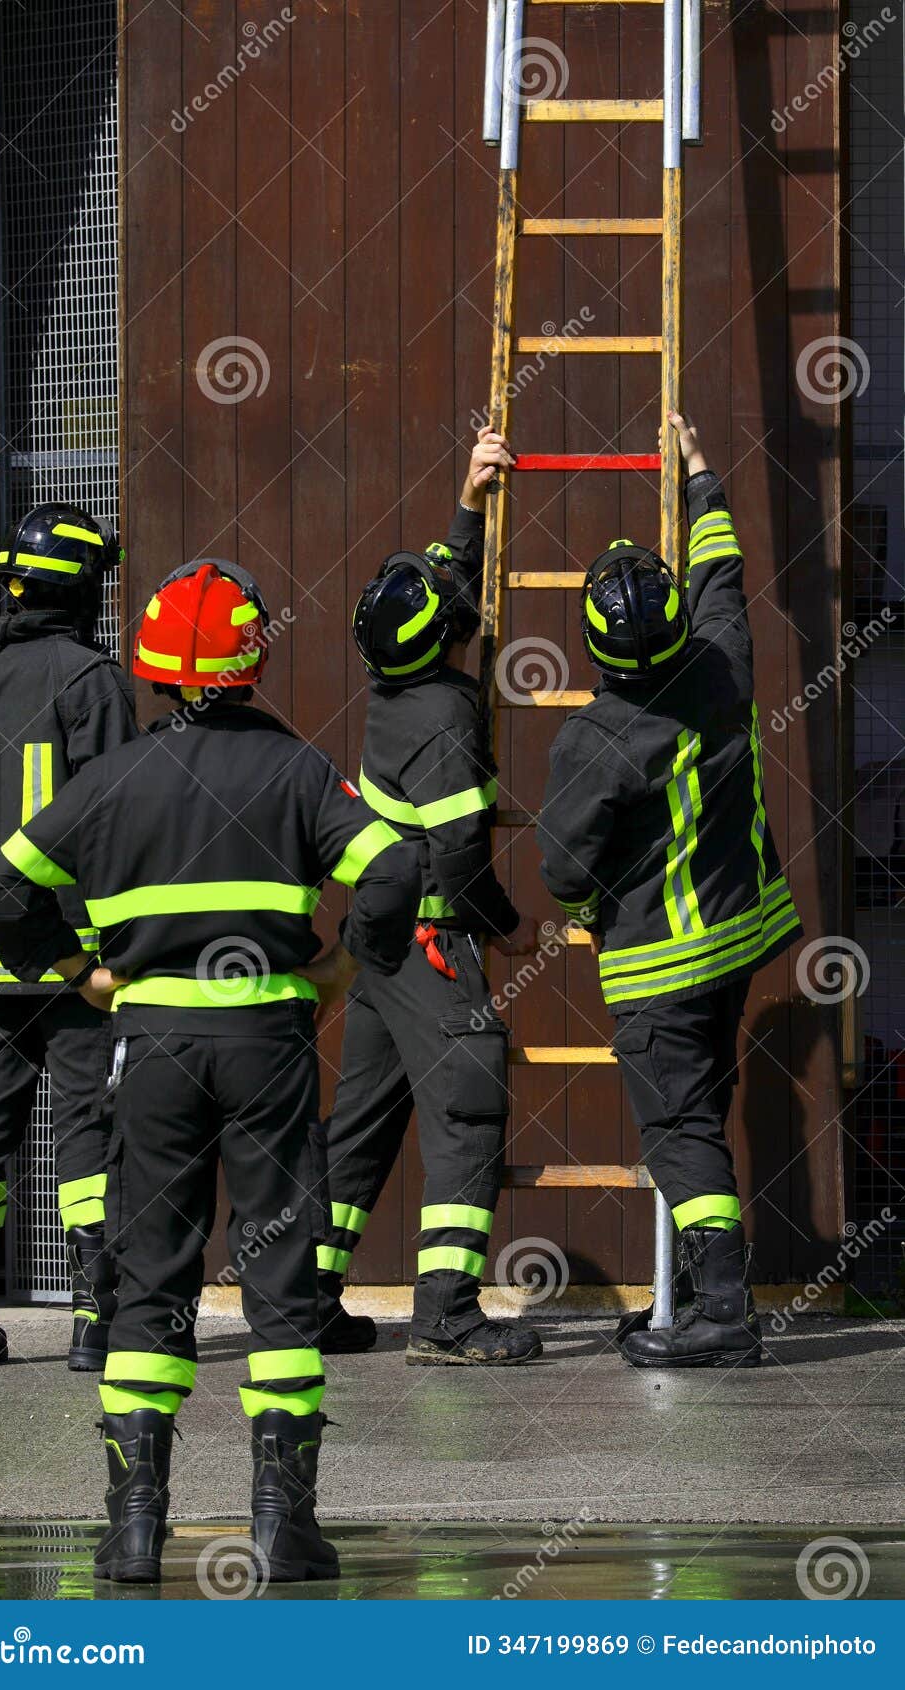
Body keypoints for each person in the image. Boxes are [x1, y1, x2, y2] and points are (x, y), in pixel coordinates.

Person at [0, 558, 419, 1585]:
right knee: (281, 1276)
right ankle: (284, 1526)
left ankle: (134, 1528)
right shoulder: (300, 771)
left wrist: (82, 974)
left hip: (154, 1050)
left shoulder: (114, 779)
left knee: (152, 1276)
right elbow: (395, 866)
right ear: (251, 663)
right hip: (270, 1043)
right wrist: (344, 964)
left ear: (153, 669)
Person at [537, 412, 803, 1368]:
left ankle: (722, 1315)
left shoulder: (592, 738)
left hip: (658, 969)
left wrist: (587, 915)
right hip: (738, 943)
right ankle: (687, 1294)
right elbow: (721, 572)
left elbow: (564, 869)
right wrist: (699, 475)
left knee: (681, 1129)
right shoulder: (724, 664)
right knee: (705, 1113)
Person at [318, 430, 543, 1367]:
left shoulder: (396, 685)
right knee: (467, 1110)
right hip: (431, 944)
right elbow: (457, 858)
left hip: (380, 942)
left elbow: (442, 590)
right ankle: (446, 1314)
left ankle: (307, 1299)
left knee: (363, 1123)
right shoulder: (446, 718)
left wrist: (471, 498)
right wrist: (506, 927)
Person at [0, 505, 137, 1371]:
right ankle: (95, 1323)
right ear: (82, 590)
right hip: (81, 961)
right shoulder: (93, 681)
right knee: (88, 1127)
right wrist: (117, 948)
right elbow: (118, 823)